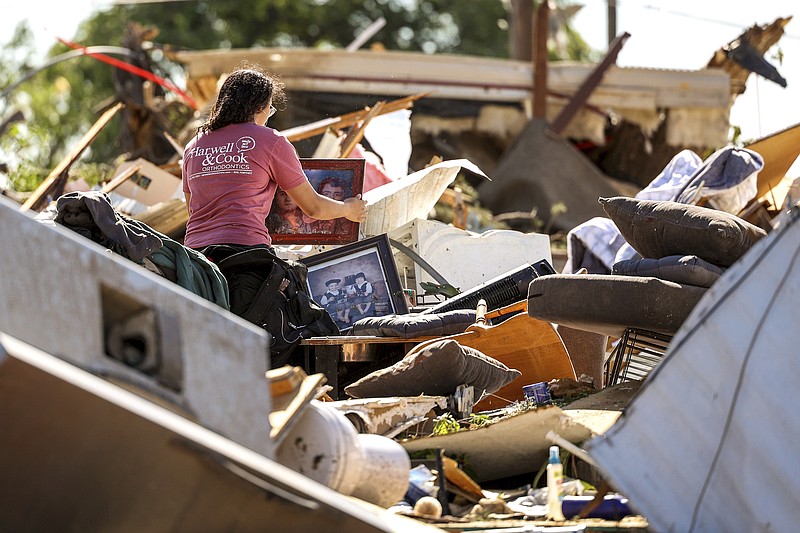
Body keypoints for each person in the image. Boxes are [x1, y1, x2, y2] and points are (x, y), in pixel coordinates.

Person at [181, 64, 367, 254]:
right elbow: (313, 208)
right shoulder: (270, 141)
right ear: (260, 108)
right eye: (269, 109)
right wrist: (349, 209)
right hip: (244, 253)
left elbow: (193, 210)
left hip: (195, 257)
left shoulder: (193, 146)